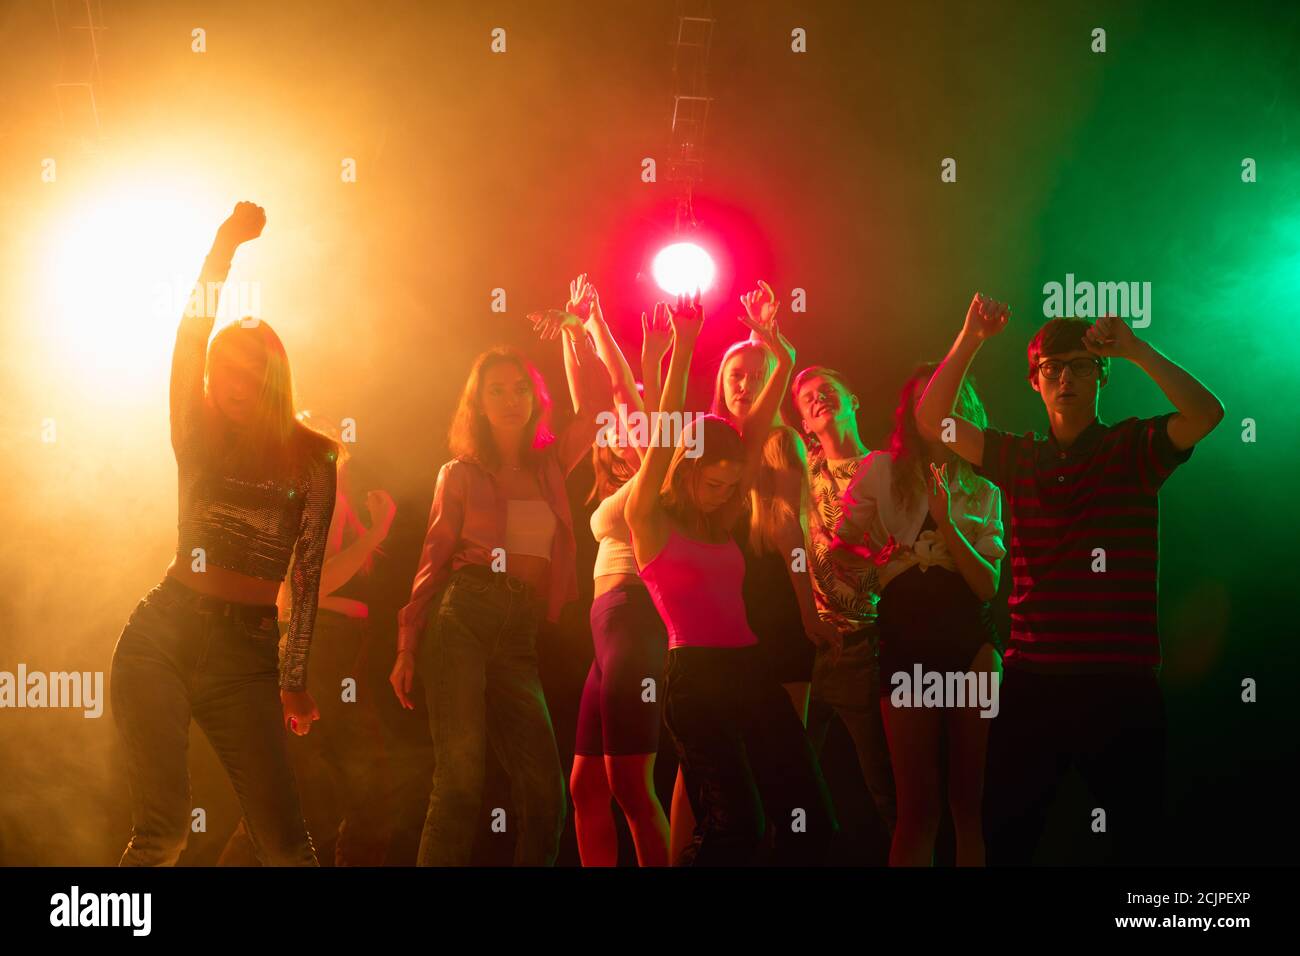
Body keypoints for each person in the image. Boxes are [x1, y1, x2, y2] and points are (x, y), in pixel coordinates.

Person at [916, 294, 1225, 864]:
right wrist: (972, 338)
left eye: (1080, 366)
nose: (1065, 379)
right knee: (1007, 837)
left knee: (1139, 841)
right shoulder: (1017, 457)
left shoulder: (1132, 448)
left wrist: (1134, 349)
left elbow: (1207, 414)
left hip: (1120, 680)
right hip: (1036, 679)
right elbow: (932, 420)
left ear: (1100, 375)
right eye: (1050, 369)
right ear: (1035, 382)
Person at [110, 201, 337, 866]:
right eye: (224, 369)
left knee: (288, 846)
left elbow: (307, 571)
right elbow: (189, 333)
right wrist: (220, 251)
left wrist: (293, 677)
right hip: (162, 637)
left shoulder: (313, 457)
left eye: (251, 369)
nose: (235, 382)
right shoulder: (196, 435)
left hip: (246, 656)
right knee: (164, 833)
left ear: (274, 376)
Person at [389, 302, 610, 866]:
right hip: (462, 615)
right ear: (478, 404)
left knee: (544, 795)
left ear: (535, 399)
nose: (510, 399)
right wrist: (407, 643)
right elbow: (432, 561)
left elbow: (596, 408)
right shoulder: (459, 474)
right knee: (460, 782)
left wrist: (574, 333)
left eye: (519, 389)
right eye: (496, 391)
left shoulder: (551, 466)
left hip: (518, 634)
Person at [625, 289, 838, 865]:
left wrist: (784, 357)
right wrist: (684, 346)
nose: (725, 496)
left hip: (751, 668)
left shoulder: (722, 515)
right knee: (733, 825)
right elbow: (666, 429)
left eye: (731, 486)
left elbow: (754, 428)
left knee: (809, 812)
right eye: (712, 484)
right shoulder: (649, 519)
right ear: (685, 471)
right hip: (695, 677)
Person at [835, 365, 1004, 865]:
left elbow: (987, 587)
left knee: (968, 806)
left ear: (963, 410)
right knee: (917, 807)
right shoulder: (880, 469)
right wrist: (874, 560)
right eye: (923, 402)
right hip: (906, 642)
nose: (933, 411)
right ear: (909, 412)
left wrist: (948, 523)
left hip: (970, 644)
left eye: (946, 401)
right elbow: (840, 546)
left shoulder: (984, 488)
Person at [218, 418, 396, 866]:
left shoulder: (326, 503)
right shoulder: (299, 499)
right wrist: (377, 533)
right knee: (318, 795)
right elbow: (301, 591)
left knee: (344, 796)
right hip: (315, 649)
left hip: (332, 651)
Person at [567, 278, 675, 867]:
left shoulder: (660, 472)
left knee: (631, 785)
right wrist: (575, 335)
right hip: (605, 635)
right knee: (585, 786)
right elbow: (604, 401)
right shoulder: (628, 482)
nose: (616, 430)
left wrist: (598, 326)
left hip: (633, 622)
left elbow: (623, 393)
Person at [791, 366, 898, 840]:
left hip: (866, 642)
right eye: (807, 398)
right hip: (810, 646)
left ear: (853, 401)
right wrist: (776, 349)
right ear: (804, 425)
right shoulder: (800, 469)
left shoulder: (887, 467)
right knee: (790, 780)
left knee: (886, 786)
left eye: (828, 391)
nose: (818, 400)